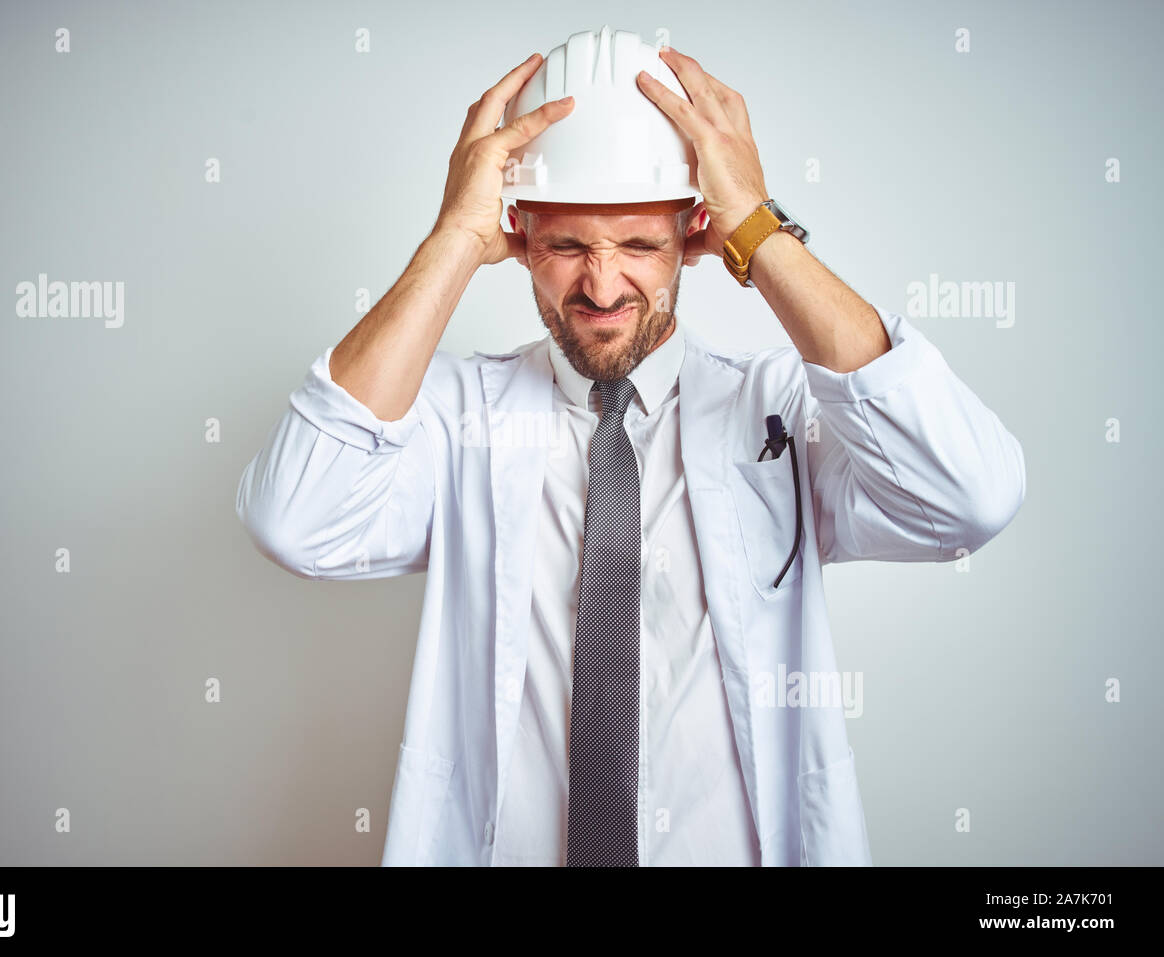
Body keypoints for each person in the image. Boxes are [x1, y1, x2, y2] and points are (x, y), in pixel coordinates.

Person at [235, 29, 1026, 866]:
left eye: (640, 247)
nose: (603, 287)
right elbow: (296, 519)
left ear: (694, 233)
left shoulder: (784, 411)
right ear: (517, 231)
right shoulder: (455, 419)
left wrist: (760, 229)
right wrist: (452, 241)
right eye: (568, 245)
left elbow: (967, 496)